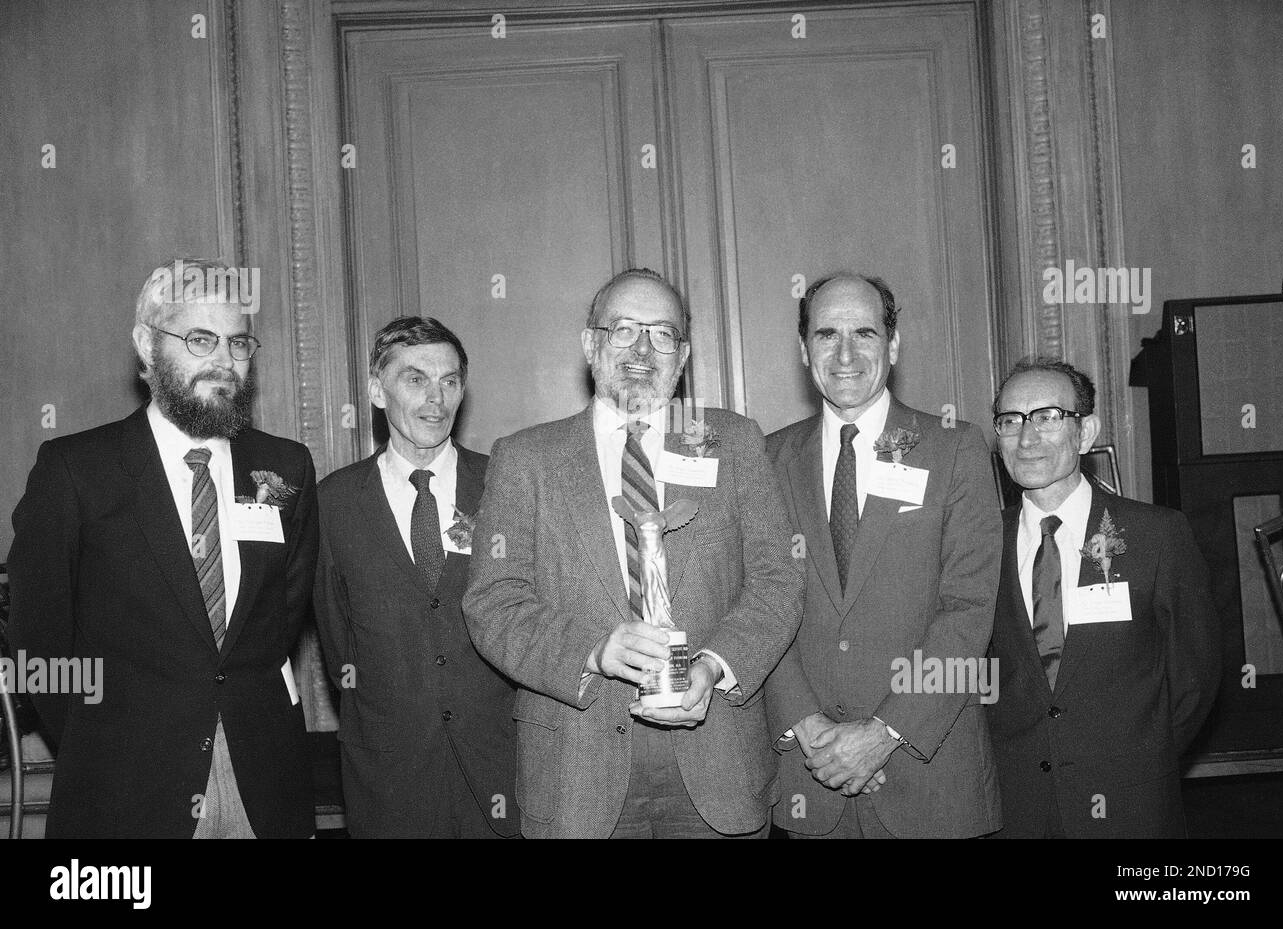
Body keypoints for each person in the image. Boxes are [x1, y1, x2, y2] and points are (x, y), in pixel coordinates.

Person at [463, 268, 804, 838]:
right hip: (576, 767)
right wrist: (594, 651)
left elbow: (778, 582)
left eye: (662, 333)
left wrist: (713, 667)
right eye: (623, 329)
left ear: (684, 353)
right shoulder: (525, 459)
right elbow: (493, 604)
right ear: (590, 344)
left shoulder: (735, 442)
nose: (643, 348)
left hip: (718, 756)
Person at [7, 258, 317, 838]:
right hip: (124, 790)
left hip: (264, 784)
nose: (224, 361)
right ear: (147, 345)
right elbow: (38, 638)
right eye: (200, 339)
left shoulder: (284, 465)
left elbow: (284, 615)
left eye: (238, 342)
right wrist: (97, 740)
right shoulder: (76, 470)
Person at [765, 272, 1003, 838]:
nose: (845, 353)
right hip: (809, 777)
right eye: (826, 335)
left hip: (929, 778)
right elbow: (757, 605)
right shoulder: (767, 460)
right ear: (804, 350)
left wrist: (882, 735)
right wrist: (810, 728)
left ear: (893, 346)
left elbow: (968, 612)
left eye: (864, 334)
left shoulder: (954, 448)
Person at [987, 357, 1220, 837]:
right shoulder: (977, 543)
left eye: (1048, 417)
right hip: (1017, 809)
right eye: (1010, 421)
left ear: (1086, 432)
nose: (1026, 439)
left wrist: (1135, 759)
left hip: (1131, 804)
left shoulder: (1156, 536)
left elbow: (1195, 676)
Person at [314, 317, 518, 838]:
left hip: (502, 770)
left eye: (450, 381)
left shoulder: (505, 484)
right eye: (415, 379)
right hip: (389, 779)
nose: (436, 398)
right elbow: (340, 644)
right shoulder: (334, 503)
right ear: (376, 391)